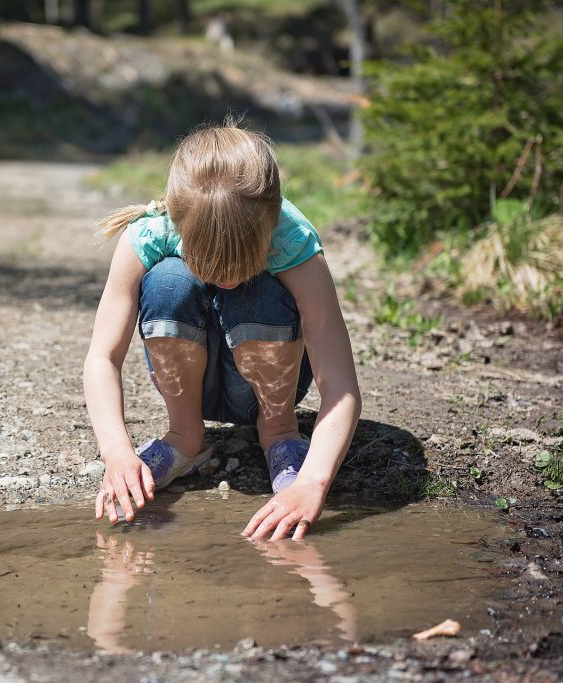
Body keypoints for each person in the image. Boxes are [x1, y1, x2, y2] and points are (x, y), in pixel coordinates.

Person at [83, 120, 361, 542]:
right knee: (170, 282)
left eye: (241, 262)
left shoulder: (293, 243)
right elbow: (102, 357)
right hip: (195, 383)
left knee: (261, 291)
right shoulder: (151, 234)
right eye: (210, 264)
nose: (227, 278)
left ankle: (279, 433)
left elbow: (340, 385)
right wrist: (118, 453)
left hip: (270, 389)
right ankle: (185, 436)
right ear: (178, 224)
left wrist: (313, 483)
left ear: (269, 227)